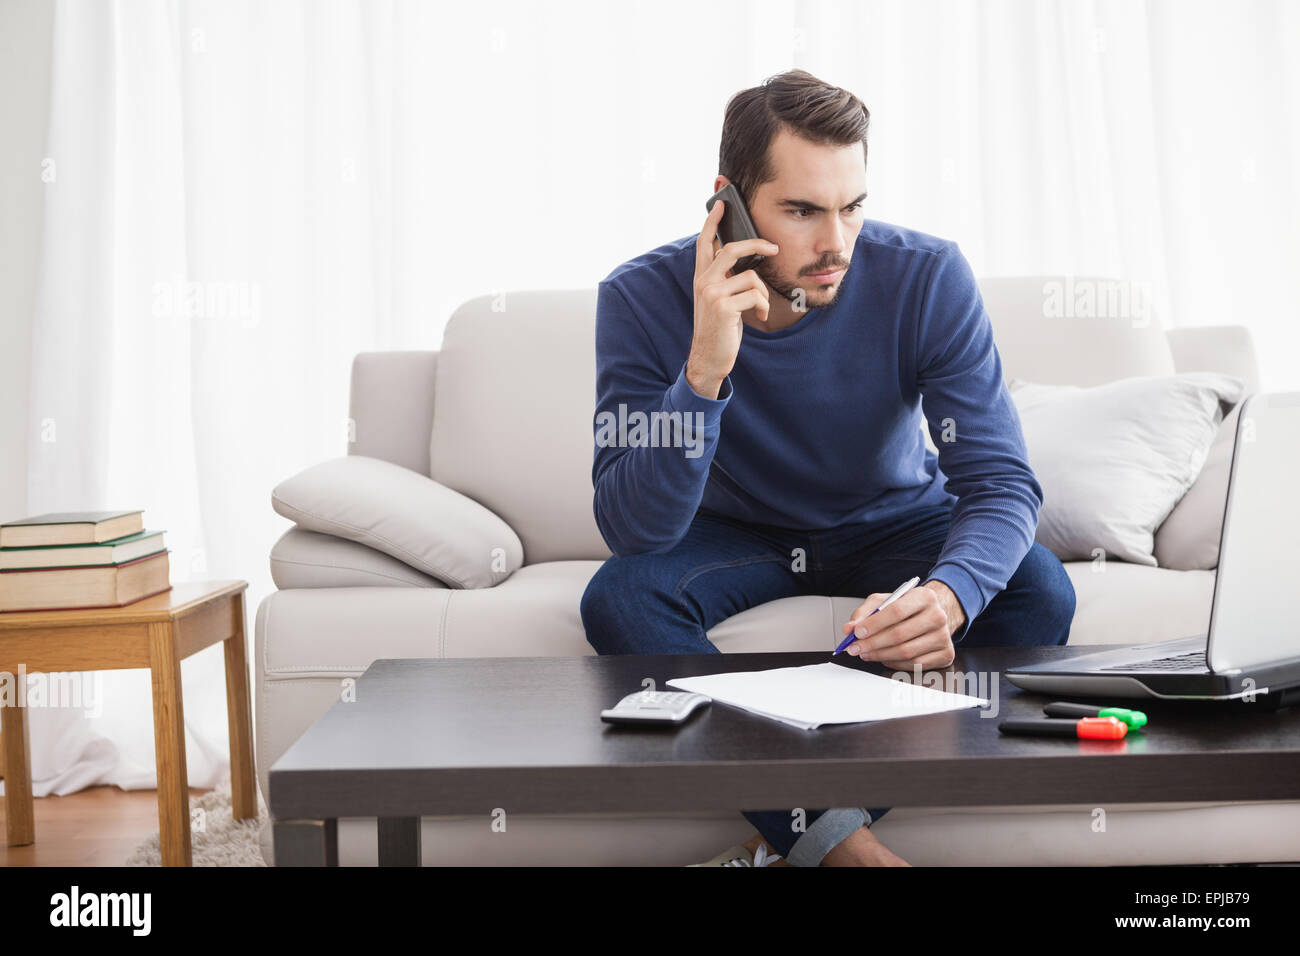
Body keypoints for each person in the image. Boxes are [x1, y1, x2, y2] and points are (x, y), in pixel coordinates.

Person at [580, 69, 1076, 867]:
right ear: (727, 203)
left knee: (1038, 584)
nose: (836, 243)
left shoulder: (926, 276)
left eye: (852, 207)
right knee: (620, 599)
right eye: (803, 211)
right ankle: (852, 853)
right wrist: (704, 368)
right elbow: (634, 528)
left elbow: (1001, 481)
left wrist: (949, 597)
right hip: (732, 535)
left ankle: (797, 833)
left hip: (894, 521)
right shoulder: (640, 297)